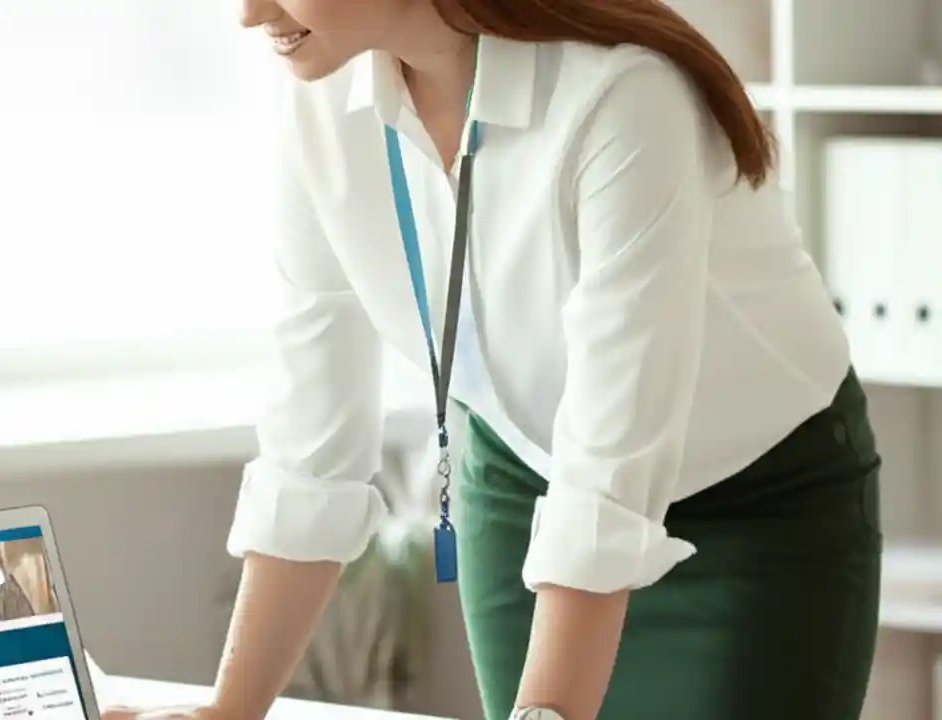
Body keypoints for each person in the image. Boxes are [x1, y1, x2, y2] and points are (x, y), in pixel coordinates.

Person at [104, 1, 883, 719]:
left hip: (758, 508)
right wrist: (227, 711)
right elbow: (310, 446)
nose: (247, 13)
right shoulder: (321, 107)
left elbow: (608, 480)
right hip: (521, 484)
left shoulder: (625, 98)